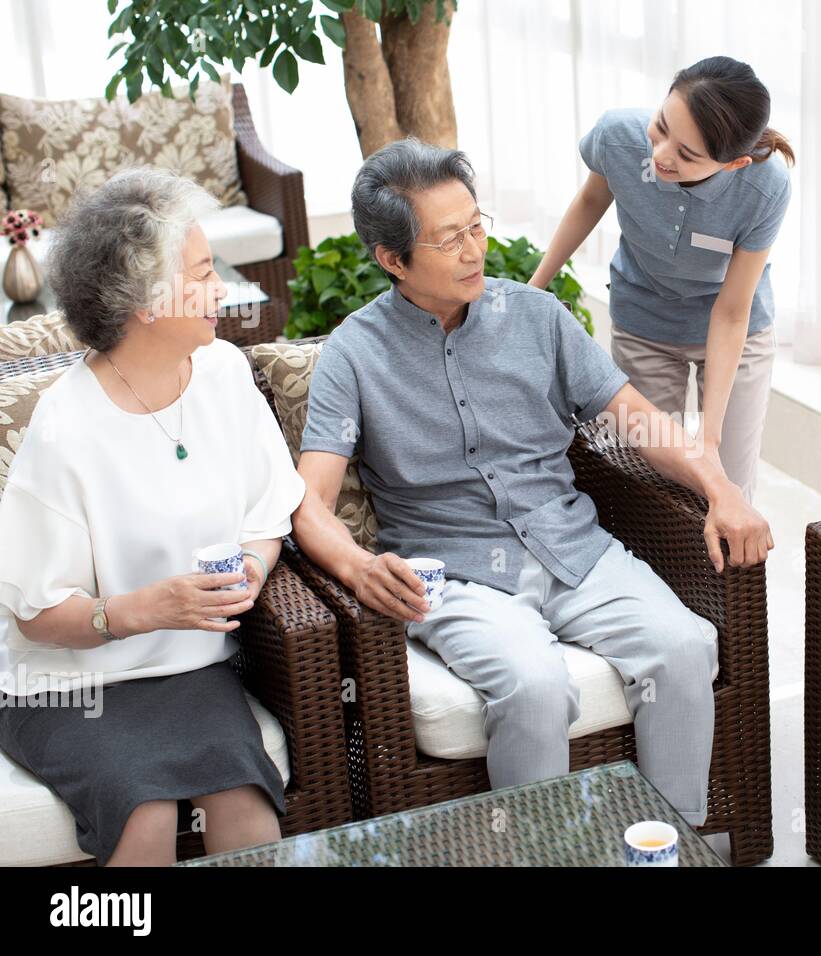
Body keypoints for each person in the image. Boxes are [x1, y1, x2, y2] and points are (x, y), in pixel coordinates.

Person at [291, 140, 773, 827]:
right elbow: (307, 502)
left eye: (476, 225)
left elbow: (638, 421)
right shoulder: (354, 354)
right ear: (392, 260)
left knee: (684, 647)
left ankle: (668, 847)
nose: (473, 249)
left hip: (572, 544)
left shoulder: (538, 318)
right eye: (448, 239)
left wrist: (721, 488)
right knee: (535, 685)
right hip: (457, 577)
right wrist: (355, 565)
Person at [0, 168, 306, 865]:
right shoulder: (67, 429)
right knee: (143, 816)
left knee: (245, 807)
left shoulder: (224, 374)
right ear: (142, 301)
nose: (221, 290)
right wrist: (138, 610)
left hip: (191, 670)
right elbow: (35, 616)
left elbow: (269, 510)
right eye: (201, 273)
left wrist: (253, 570)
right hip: (72, 682)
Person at [531, 55, 794, 502]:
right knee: (647, 479)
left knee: (727, 485)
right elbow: (590, 202)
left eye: (686, 155)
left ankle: (728, 574)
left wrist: (707, 442)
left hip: (735, 333)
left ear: (733, 164)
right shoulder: (617, 135)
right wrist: (533, 290)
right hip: (645, 323)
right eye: (662, 126)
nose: (660, 155)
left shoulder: (765, 186)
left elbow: (731, 313)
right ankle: (657, 573)